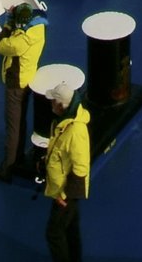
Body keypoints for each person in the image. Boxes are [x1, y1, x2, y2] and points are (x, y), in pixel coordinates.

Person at [0, 2, 46, 182]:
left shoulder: (19, 42)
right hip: (28, 79)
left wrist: (8, 22)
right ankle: (18, 156)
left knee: (13, 127)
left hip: (16, 85)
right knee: (20, 122)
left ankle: (7, 170)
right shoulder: (38, 29)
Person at [40, 78, 93, 261]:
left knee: (54, 233)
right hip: (63, 190)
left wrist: (65, 197)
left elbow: (81, 167)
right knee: (70, 228)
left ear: (61, 105)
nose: (51, 104)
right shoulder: (64, 122)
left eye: (53, 101)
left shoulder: (75, 131)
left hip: (65, 192)